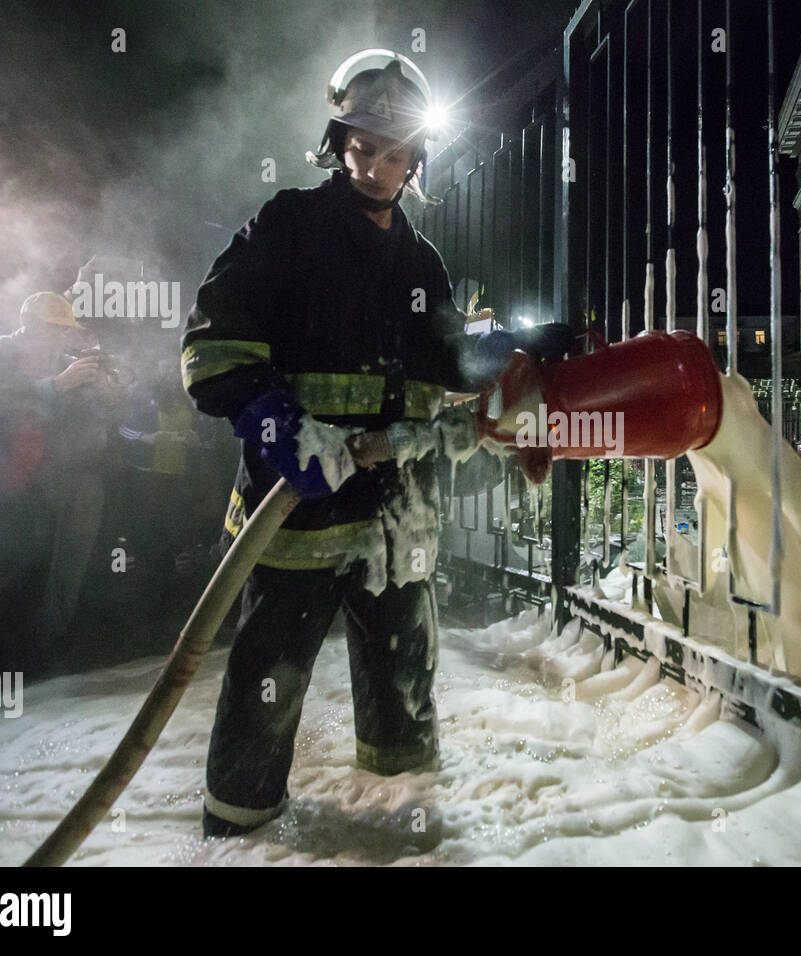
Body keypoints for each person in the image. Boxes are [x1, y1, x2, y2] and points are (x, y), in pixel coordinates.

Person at [182, 49, 570, 838]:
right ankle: (238, 830)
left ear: (417, 159)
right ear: (337, 142)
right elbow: (212, 345)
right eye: (363, 146)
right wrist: (278, 427)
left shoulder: (420, 259)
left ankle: (400, 831)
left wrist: (531, 347)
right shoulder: (286, 228)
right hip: (294, 516)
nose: (378, 165)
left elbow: (452, 359)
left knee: (402, 693)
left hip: (397, 523)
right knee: (269, 677)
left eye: (396, 152)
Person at [0, 292, 122, 666]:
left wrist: (108, 394)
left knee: (64, 548)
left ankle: (46, 645)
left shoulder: (69, 365)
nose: (58, 338)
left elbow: (96, 419)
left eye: (63, 331)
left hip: (48, 478)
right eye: (51, 329)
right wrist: (56, 385)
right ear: (28, 325)